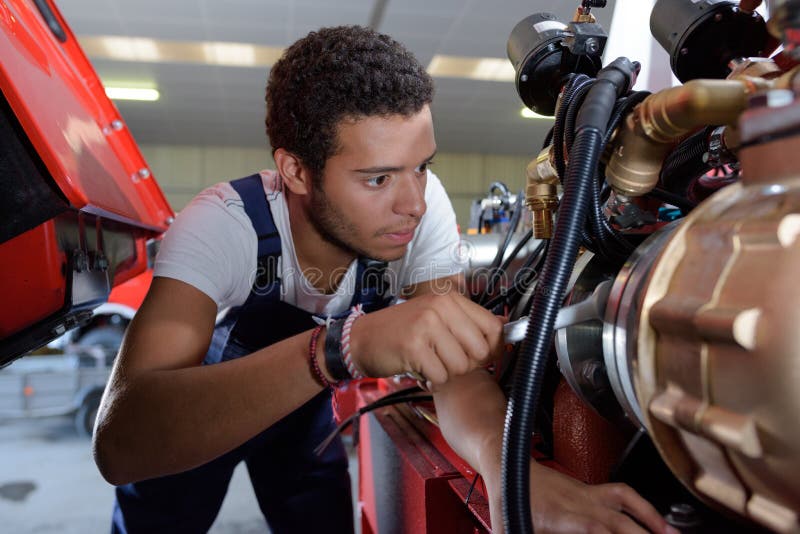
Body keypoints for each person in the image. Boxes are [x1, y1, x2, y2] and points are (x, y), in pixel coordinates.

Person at [93, 25, 674, 534]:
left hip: (303, 417)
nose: (413, 203)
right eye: (378, 179)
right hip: (198, 410)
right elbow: (121, 444)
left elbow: (455, 374)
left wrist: (510, 475)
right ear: (295, 171)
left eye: (422, 167)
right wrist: (341, 348)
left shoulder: (420, 208)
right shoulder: (223, 224)